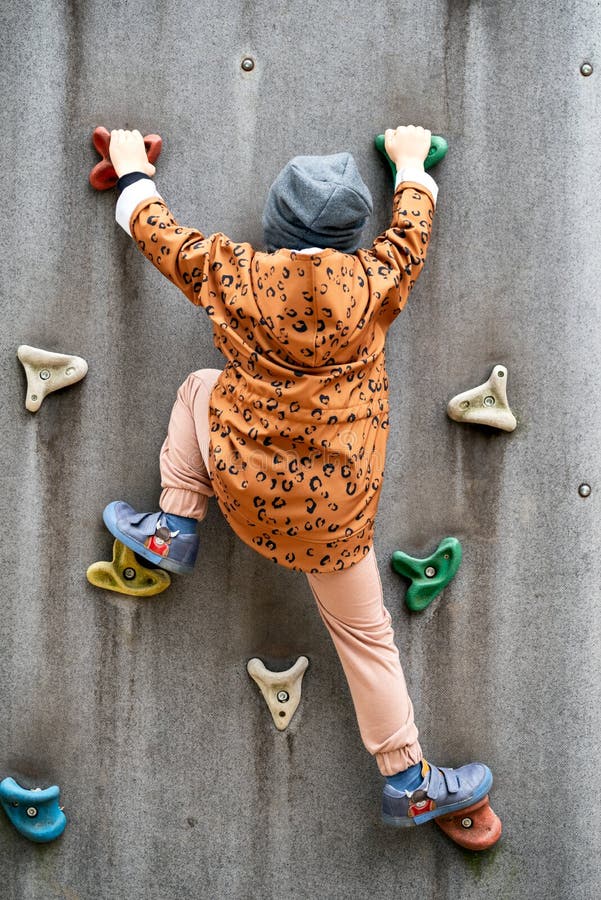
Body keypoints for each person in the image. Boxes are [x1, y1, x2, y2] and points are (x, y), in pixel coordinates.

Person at [101, 126, 493, 828]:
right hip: (335, 523)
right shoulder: (375, 279)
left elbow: (154, 231)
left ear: (275, 222)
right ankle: (408, 779)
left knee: (199, 386)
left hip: (244, 486)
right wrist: (408, 164)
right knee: (366, 639)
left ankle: (174, 524)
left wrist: (132, 170)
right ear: (350, 237)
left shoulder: (236, 272)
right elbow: (413, 228)